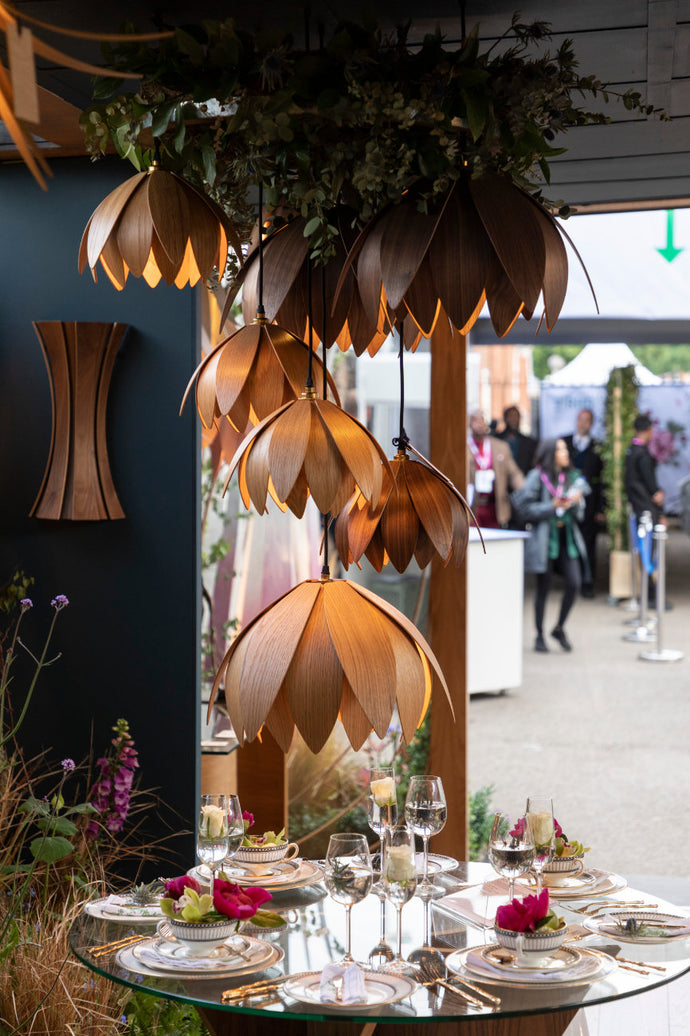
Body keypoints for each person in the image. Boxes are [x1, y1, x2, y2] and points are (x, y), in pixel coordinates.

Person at [511, 438, 590, 653]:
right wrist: (551, 506)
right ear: (550, 453)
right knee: (543, 589)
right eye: (561, 449)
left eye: (566, 449)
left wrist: (575, 503)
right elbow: (524, 509)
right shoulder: (536, 476)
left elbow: (580, 514)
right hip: (545, 539)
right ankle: (538, 635)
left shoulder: (572, 477)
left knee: (574, 583)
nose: (566, 453)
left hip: (566, 538)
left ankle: (559, 627)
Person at [624, 414, 668, 609]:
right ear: (649, 430)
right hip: (647, 511)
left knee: (644, 553)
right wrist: (659, 504)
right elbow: (653, 488)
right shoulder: (642, 454)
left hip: (637, 508)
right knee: (649, 554)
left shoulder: (630, 451)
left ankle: (649, 594)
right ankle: (652, 596)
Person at [563, 408, 605, 598]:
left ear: (591, 423)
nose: (583, 423)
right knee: (568, 542)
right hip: (566, 502)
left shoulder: (598, 447)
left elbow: (603, 481)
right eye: (580, 419)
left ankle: (588, 581)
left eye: (587, 420)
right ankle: (570, 580)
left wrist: (600, 508)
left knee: (588, 544)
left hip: (588, 503)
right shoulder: (564, 443)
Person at [467, 410, 524, 528]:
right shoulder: (464, 448)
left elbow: (514, 474)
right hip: (472, 506)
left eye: (482, 420)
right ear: (469, 424)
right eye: (475, 421)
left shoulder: (500, 447)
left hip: (495, 505)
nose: (479, 424)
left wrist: (525, 490)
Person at [496, 405, 537, 475]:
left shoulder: (529, 443)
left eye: (516, 416)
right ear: (505, 418)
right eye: (511, 416)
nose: (514, 420)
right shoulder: (497, 440)